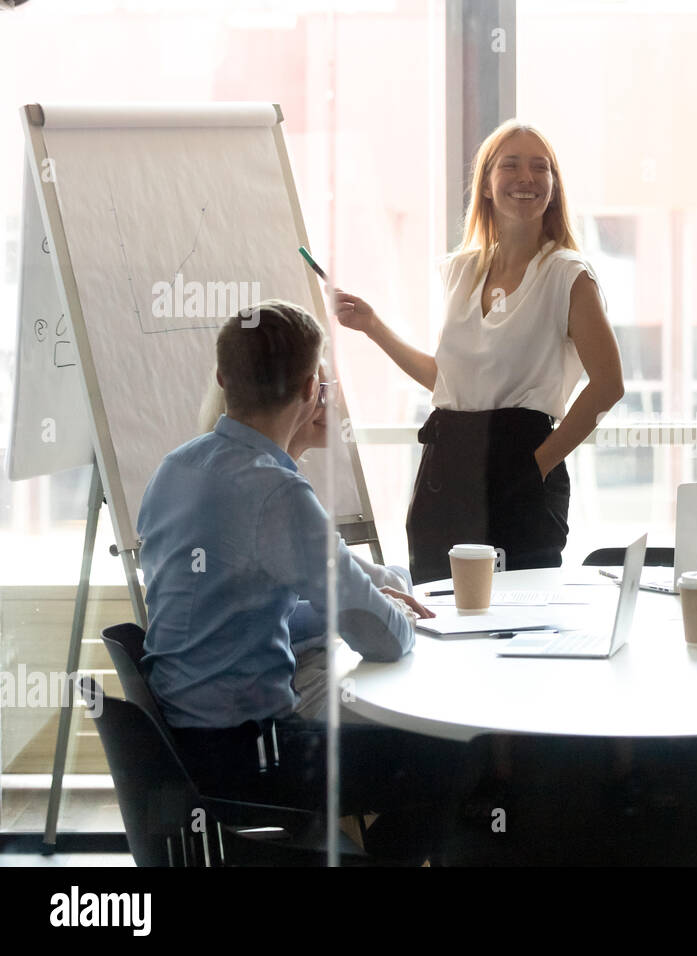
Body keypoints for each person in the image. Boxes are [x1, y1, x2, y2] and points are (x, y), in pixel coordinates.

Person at [138, 300, 461, 860]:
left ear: (221, 378)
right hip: (247, 756)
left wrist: (367, 600)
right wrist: (398, 615)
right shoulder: (277, 493)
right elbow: (381, 638)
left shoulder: (177, 467)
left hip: (179, 745)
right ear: (313, 387)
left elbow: (242, 604)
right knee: (453, 758)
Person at [337, 120, 625, 584]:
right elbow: (450, 381)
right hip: (444, 464)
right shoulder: (460, 271)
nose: (526, 178)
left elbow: (609, 386)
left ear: (553, 187)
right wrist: (372, 326)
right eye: (510, 165)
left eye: (540, 167)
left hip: (522, 459)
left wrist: (538, 464)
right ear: (487, 184)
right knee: (440, 612)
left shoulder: (568, 275)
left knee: (520, 623)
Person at [198, 367, 411, 720]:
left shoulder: (229, 471)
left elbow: (348, 572)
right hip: (271, 705)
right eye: (322, 392)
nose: (332, 406)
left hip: (261, 692)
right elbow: (377, 633)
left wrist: (384, 589)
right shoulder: (273, 493)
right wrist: (383, 602)